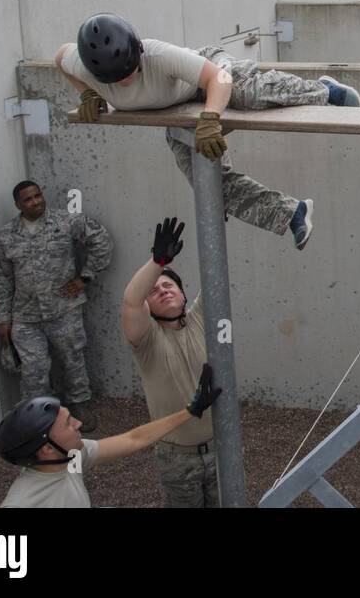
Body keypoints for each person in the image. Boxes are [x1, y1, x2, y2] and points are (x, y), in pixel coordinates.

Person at [56, 16, 360, 250]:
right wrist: (87, 95)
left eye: (130, 72)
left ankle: (324, 90)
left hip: (210, 74)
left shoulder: (158, 55)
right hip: (174, 110)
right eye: (117, 80)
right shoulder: (84, 64)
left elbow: (219, 78)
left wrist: (211, 118)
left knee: (247, 94)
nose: (126, 82)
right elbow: (60, 56)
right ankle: (291, 213)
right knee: (211, 186)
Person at [0, 364, 219, 507]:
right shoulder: (22, 503)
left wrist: (190, 411)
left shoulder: (71, 459)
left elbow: (133, 439)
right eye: (68, 423)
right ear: (46, 448)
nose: (79, 423)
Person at [0, 181, 113, 431]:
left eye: (38, 196)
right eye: (28, 199)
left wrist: (85, 277)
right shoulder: (6, 237)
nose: (36, 201)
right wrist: (3, 319)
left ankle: (80, 405)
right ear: (18, 204)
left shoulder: (66, 221)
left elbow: (101, 239)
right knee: (33, 370)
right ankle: (41, 415)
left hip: (64, 308)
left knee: (72, 359)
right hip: (26, 316)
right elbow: (3, 278)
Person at [120, 217, 217, 507]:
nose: (163, 289)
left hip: (221, 448)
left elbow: (216, 273)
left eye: (169, 285)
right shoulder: (147, 340)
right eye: (154, 290)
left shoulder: (201, 318)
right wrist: (157, 262)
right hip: (177, 457)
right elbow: (131, 302)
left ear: (184, 293)